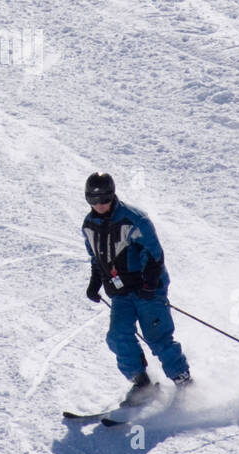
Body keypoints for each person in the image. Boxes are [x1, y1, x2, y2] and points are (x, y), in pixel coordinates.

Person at [82, 172, 192, 402]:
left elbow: (153, 254)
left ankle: (183, 381)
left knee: (157, 337)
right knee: (117, 336)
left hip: (147, 288)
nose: (99, 205)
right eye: (93, 201)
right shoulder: (89, 225)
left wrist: (150, 284)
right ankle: (142, 383)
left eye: (103, 200)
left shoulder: (133, 219)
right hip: (121, 292)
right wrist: (95, 283)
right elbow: (96, 257)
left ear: (112, 196)